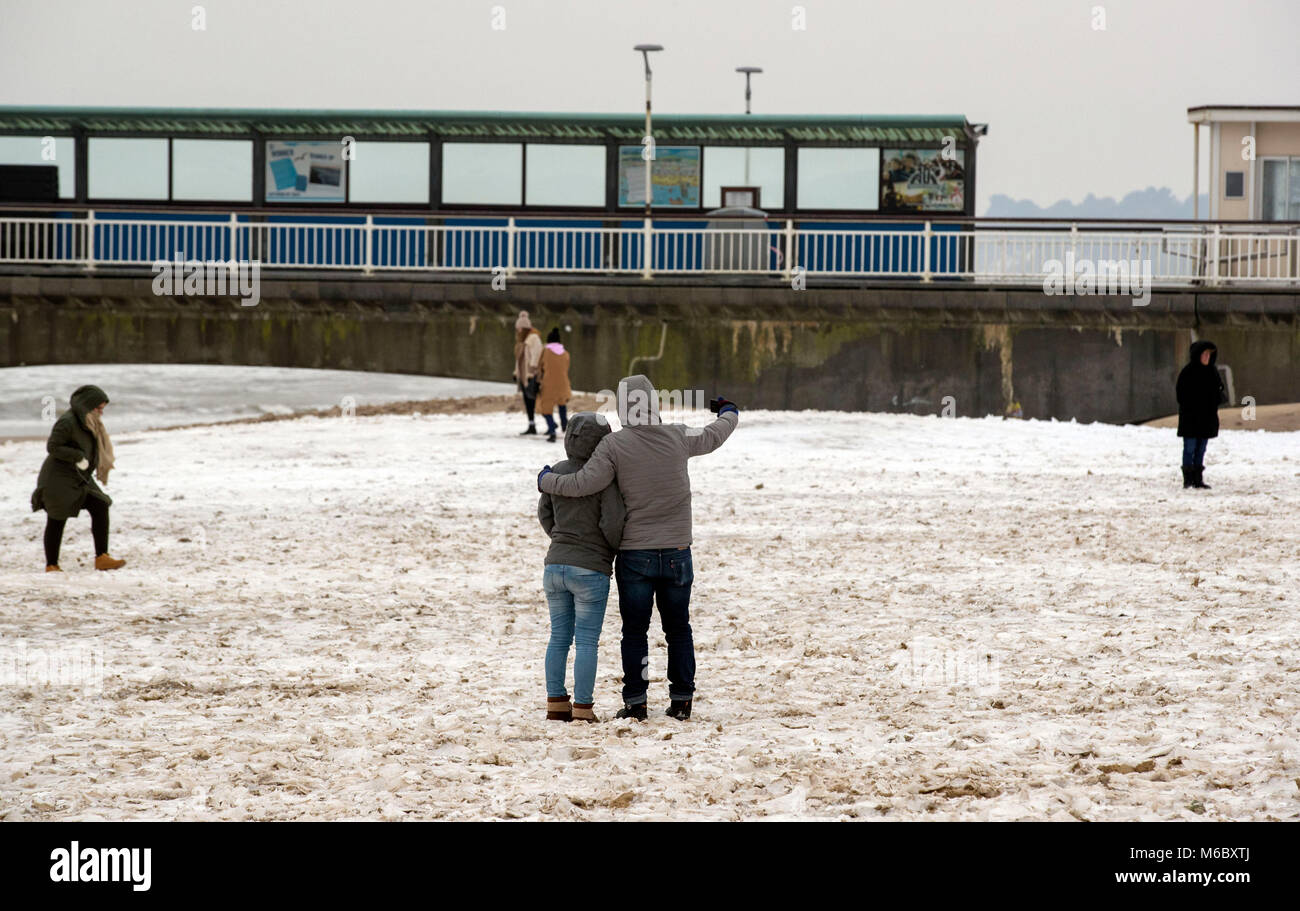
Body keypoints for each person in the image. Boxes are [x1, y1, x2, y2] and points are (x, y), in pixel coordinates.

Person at [536, 375, 738, 721]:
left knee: (635, 631)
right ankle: (681, 700)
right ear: (654, 404)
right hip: (677, 551)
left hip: (635, 554)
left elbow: (584, 483)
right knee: (678, 629)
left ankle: (636, 701)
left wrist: (546, 481)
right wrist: (729, 413)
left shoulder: (615, 445)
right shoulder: (678, 435)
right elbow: (714, 435)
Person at [538, 412, 626, 723]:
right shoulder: (602, 475)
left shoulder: (557, 473)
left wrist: (561, 541)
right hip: (590, 568)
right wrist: (607, 551)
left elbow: (545, 515)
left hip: (554, 565)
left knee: (559, 637)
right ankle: (583, 708)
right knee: (586, 640)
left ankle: (555, 703)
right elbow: (612, 523)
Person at [31, 384, 126, 572]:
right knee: (57, 517)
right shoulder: (68, 422)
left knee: (100, 504)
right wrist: (78, 457)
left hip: (79, 476)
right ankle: (52, 565)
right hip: (58, 478)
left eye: (102, 409)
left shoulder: (90, 422)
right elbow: (53, 446)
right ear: (87, 405)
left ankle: (102, 558)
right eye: (98, 408)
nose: (101, 412)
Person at [1176, 339, 1226, 490]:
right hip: (1191, 419)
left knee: (1201, 449)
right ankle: (1188, 479)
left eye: (1209, 354)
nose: (1207, 357)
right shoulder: (1187, 372)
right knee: (1189, 448)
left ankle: (1198, 479)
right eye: (1204, 354)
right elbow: (1181, 395)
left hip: (1206, 419)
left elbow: (1219, 392)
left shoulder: (1213, 372)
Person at [536, 328, 571, 443]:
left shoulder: (545, 351)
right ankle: (564, 424)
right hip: (563, 383)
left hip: (548, 384)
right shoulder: (565, 353)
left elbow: (540, 367)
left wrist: (538, 380)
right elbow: (566, 368)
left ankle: (552, 430)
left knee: (546, 409)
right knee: (562, 404)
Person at [513, 311, 543, 435]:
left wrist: (532, 371)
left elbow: (537, 354)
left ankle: (549, 425)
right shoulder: (522, 341)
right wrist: (516, 373)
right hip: (523, 376)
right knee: (527, 400)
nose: (518, 330)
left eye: (520, 328)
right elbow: (519, 360)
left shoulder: (533, 338)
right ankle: (531, 424)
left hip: (531, 375)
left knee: (532, 399)